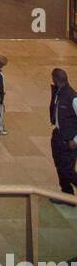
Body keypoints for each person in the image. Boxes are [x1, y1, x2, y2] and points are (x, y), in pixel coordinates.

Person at [49, 67, 77, 196]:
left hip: (69, 140)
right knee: (59, 165)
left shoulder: (72, 97)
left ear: (56, 79)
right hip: (58, 134)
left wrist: (75, 140)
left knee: (67, 169)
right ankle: (66, 194)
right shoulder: (58, 92)